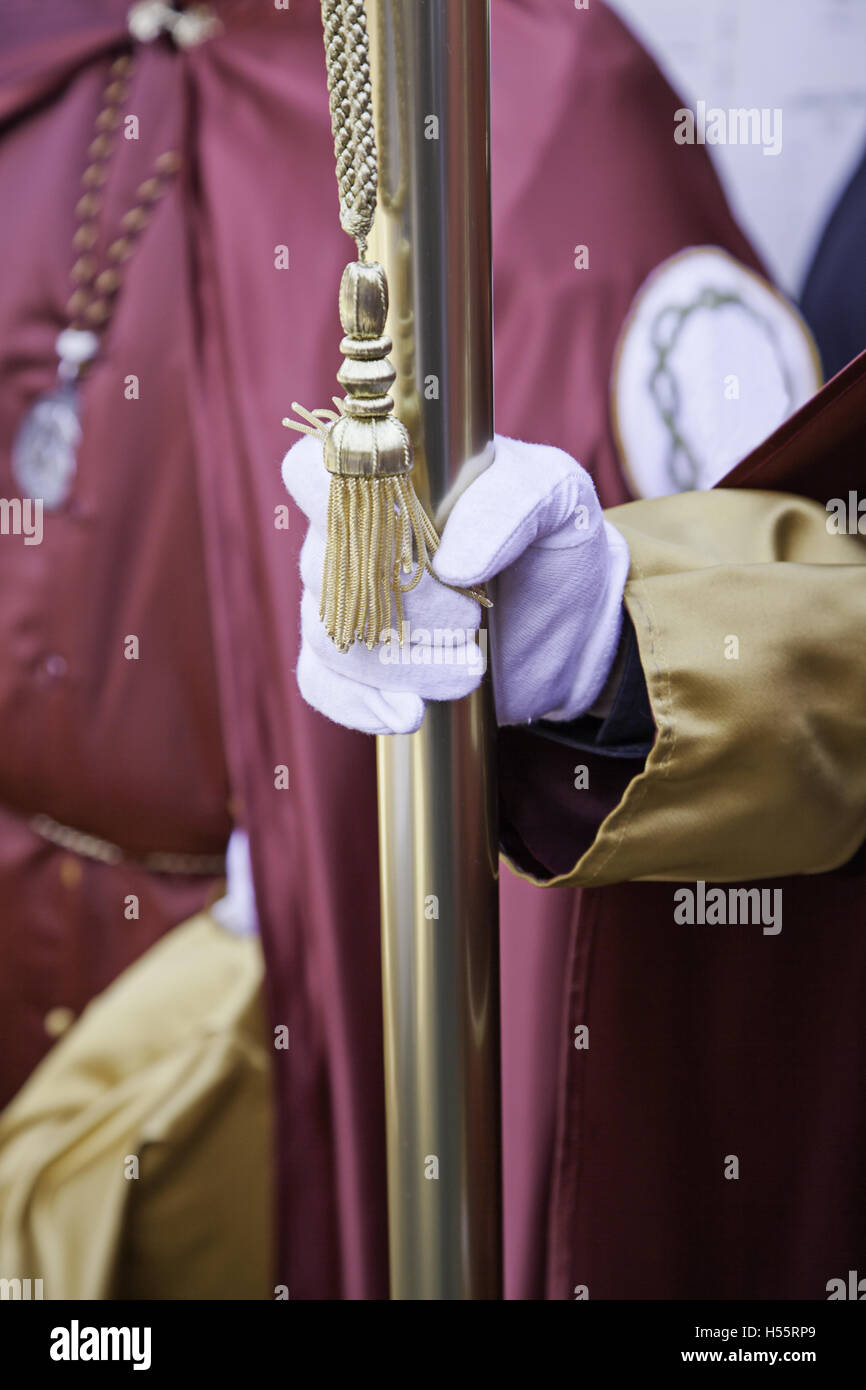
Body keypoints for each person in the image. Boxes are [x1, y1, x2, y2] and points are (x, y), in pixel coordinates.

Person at [0, 0, 864, 1302]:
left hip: (287, 1010)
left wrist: (606, 662)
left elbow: (730, 718)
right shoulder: (42, 54)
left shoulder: (537, 95)